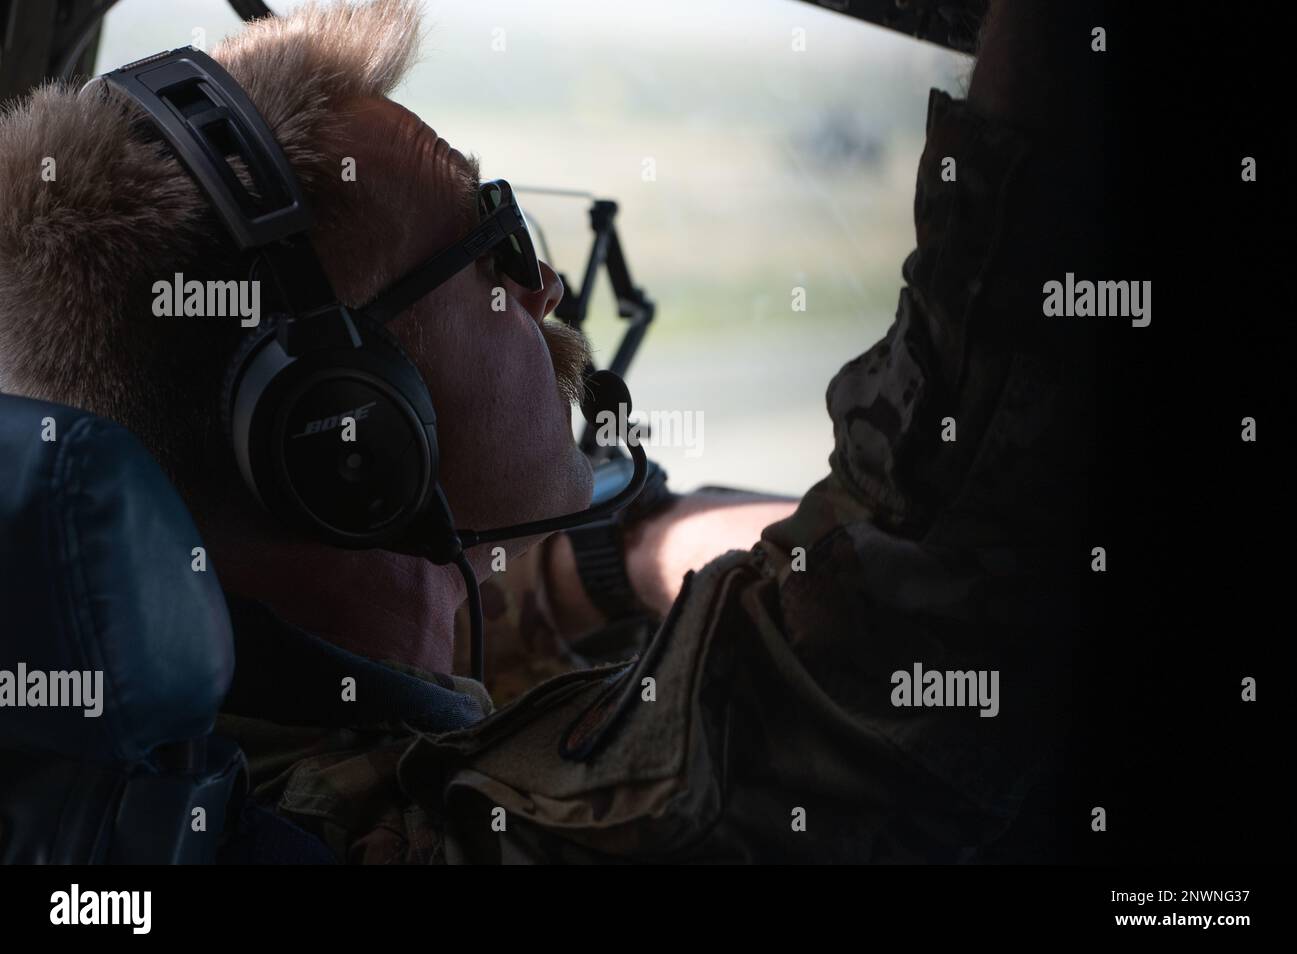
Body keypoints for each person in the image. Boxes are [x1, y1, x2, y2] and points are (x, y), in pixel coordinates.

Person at [0, 0, 1103, 862]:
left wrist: (620, 561)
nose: (550, 290)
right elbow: (932, 579)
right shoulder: (384, 844)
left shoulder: (189, 742)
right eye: (498, 252)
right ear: (348, 433)